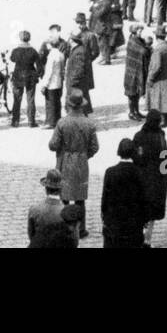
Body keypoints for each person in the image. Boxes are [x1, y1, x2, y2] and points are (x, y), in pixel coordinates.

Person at [49, 89, 98, 237]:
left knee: (64, 196)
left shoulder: (62, 123)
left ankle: (64, 227)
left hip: (65, 162)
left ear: (69, 105)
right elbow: (94, 147)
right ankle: (81, 229)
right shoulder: (89, 123)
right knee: (80, 198)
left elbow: (53, 145)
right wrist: (83, 155)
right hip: (82, 163)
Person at [131, 109, 167, 247]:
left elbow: (134, 157)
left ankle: (138, 237)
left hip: (140, 178)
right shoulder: (160, 138)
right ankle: (147, 239)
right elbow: (164, 160)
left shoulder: (138, 136)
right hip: (155, 180)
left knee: (139, 209)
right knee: (151, 212)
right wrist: (165, 179)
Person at [101, 138, 147, 248]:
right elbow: (143, 198)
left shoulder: (110, 172)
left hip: (114, 222)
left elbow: (105, 197)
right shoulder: (139, 172)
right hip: (133, 223)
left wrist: (104, 216)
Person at [145, 27, 167, 125]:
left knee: (159, 99)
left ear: (156, 37)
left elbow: (156, 66)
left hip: (159, 79)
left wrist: (150, 78)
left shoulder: (158, 50)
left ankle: (162, 121)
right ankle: (166, 119)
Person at [28, 169, 71, 247]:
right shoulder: (68, 213)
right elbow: (73, 241)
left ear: (46, 189)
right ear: (60, 189)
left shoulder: (34, 209)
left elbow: (31, 235)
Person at [10, 31, 41, 128]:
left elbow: (12, 59)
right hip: (31, 76)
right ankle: (31, 121)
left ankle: (15, 122)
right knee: (30, 99)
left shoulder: (15, 51)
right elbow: (39, 65)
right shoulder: (33, 51)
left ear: (20, 38)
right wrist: (38, 74)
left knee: (17, 99)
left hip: (18, 76)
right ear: (29, 39)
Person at [38, 27, 66, 129]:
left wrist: (44, 85)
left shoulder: (51, 56)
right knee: (57, 102)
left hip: (51, 83)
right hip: (59, 82)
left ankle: (50, 122)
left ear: (50, 45)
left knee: (50, 103)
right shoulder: (61, 54)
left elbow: (48, 72)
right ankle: (57, 120)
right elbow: (62, 69)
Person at [123, 23, 149, 121]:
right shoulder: (133, 41)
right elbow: (143, 52)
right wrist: (147, 46)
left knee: (137, 93)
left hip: (137, 70)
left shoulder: (138, 40)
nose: (141, 32)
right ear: (134, 31)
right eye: (139, 30)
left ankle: (137, 111)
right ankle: (131, 112)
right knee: (131, 93)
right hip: (132, 71)